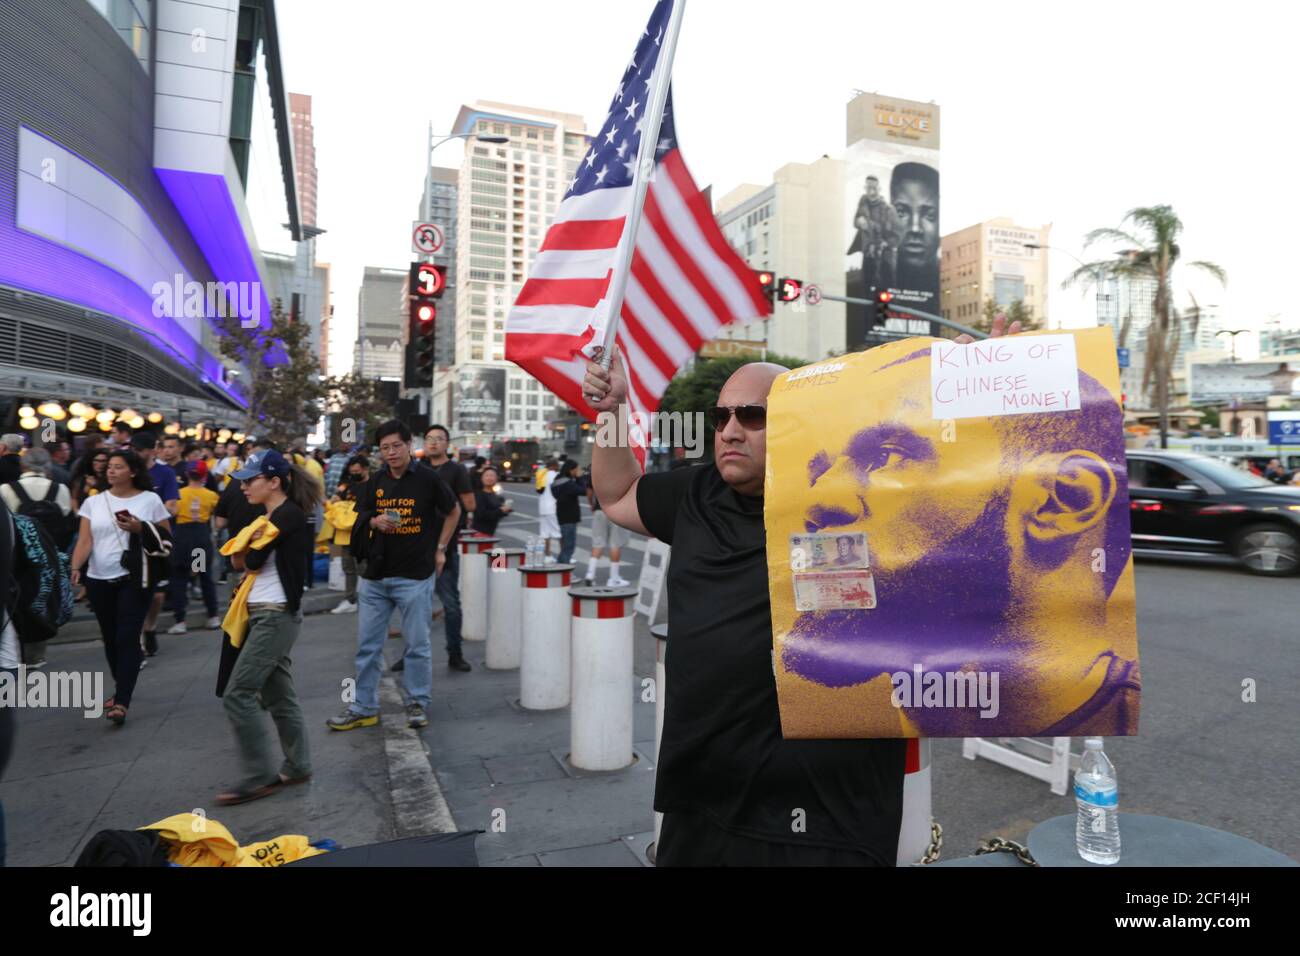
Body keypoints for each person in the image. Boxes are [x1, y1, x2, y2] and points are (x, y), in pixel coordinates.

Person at [582, 316, 1024, 867]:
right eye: (720, 416)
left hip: (834, 814)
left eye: (752, 416)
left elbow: (977, 488)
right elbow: (617, 492)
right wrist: (611, 413)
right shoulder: (696, 493)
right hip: (704, 800)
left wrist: (991, 391)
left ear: (797, 423)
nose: (729, 431)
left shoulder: (865, 497)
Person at [328, 421, 459, 732]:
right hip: (375, 577)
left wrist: (440, 548)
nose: (391, 453)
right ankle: (363, 707)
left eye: (396, 446)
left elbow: (453, 511)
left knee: (417, 644)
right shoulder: (375, 482)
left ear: (408, 444)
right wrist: (374, 522)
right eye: (385, 448)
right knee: (367, 646)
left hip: (414, 575)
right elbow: (358, 518)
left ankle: (417, 701)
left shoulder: (427, 478)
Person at [215, 449, 322, 805]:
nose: (244, 486)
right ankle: (298, 765)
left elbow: (252, 559)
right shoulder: (270, 517)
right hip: (261, 611)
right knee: (278, 695)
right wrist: (248, 549)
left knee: (238, 692)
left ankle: (259, 776)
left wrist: (249, 548)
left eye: (251, 480)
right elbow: (237, 561)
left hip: (275, 614)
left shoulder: (288, 514)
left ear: (274, 481)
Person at [70, 449, 171, 726]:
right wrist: (76, 567)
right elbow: (85, 541)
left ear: (133, 471)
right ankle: (122, 684)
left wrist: (140, 529)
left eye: (118, 467)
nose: (111, 471)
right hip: (98, 577)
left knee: (126, 637)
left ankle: (122, 700)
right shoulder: (94, 502)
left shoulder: (149, 499)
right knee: (111, 638)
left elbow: (165, 536)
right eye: (109, 467)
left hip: (134, 578)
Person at [2, 448, 74, 668]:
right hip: (50, 556)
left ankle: (15, 649)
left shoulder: (6, 489)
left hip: (16, 558)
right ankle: (37, 653)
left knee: (15, 601)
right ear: (47, 466)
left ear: (22, 465)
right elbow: (66, 516)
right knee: (42, 600)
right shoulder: (59, 489)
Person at [420, 425, 476, 673]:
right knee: (414, 605)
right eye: (429, 439)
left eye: (439, 439)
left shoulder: (456, 470)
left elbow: (469, 504)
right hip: (417, 545)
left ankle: (455, 653)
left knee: (451, 603)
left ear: (447, 444)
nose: (433, 443)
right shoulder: (417, 470)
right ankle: (411, 654)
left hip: (446, 545)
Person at [130, 431, 179, 657]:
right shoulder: (128, 473)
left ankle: (150, 626)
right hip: (130, 541)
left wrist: (150, 514)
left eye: (140, 451)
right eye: (134, 451)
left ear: (152, 451)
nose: (137, 455)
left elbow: (172, 507)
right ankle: (137, 640)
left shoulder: (165, 473)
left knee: (158, 595)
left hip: (158, 539)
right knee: (135, 593)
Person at [166, 461, 221, 634]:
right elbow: (217, 519)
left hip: (182, 537)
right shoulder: (212, 495)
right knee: (204, 577)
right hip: (200, 536)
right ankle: (213, 616)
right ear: (205, 475)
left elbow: (171, 512)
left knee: (179, 578)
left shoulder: (178, 494)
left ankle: (180, 621)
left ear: (187, 475)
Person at [889, 161, 940, 308]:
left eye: (929, 215)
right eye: (902, 212)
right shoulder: (872, 282)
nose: (915, 228)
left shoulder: (946, 283)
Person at [327, 456, 367, 615]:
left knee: (364, 568)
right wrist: (335, 499)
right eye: (352, 472)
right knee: (348, 568)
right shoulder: (346, 485)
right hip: (345, 534)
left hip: (364, 533)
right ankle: (350, 599)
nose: (354, 474)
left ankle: (369, 598)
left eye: (357, 471)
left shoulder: (373, 485)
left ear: (365, 468)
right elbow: (335, 497)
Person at [584, 488, 629, 587]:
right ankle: (614, 578)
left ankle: (590, 574)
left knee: (598, 543)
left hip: (599, 509)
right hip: (617, 510)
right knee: (615, 544)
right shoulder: (623, 473)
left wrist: (591, 504)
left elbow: (589, 491)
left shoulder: (598, 472)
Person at [550, 460, 587, 565]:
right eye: (577, 469)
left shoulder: (558, 480)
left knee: (565, 545)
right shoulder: (567, 484)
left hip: (562, 515)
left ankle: (560, 569)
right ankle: (563, 570)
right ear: (571, 470)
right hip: (569, 517)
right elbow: (583, 490)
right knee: (569, 547)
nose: (578, 471)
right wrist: (579, 477)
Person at [471, 466, 512, 535]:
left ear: (496, 479)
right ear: (482, 478)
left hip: (490, 532)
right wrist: (501, 510)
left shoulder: (495, 494)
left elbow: (497, 512)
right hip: (479, 534)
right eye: (487, 475)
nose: (489, 478)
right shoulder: (479, 495)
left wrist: (506, 510)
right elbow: (481, 515)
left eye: (492, 476)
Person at [536, 457, 560, 558]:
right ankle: (562, 555)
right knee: (558, 533)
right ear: (554, 466)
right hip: (553, 507)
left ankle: (548, 556)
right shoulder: (556, 476)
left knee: (545, 533)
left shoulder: (541, 475)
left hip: (543, 508)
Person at [69, 447, 108, 511]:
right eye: (97, 460)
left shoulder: (109, 479)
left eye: (103, 461)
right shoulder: (81, 478)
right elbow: (74, 497)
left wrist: (96, 486)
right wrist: (76, 511)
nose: (100, 464)